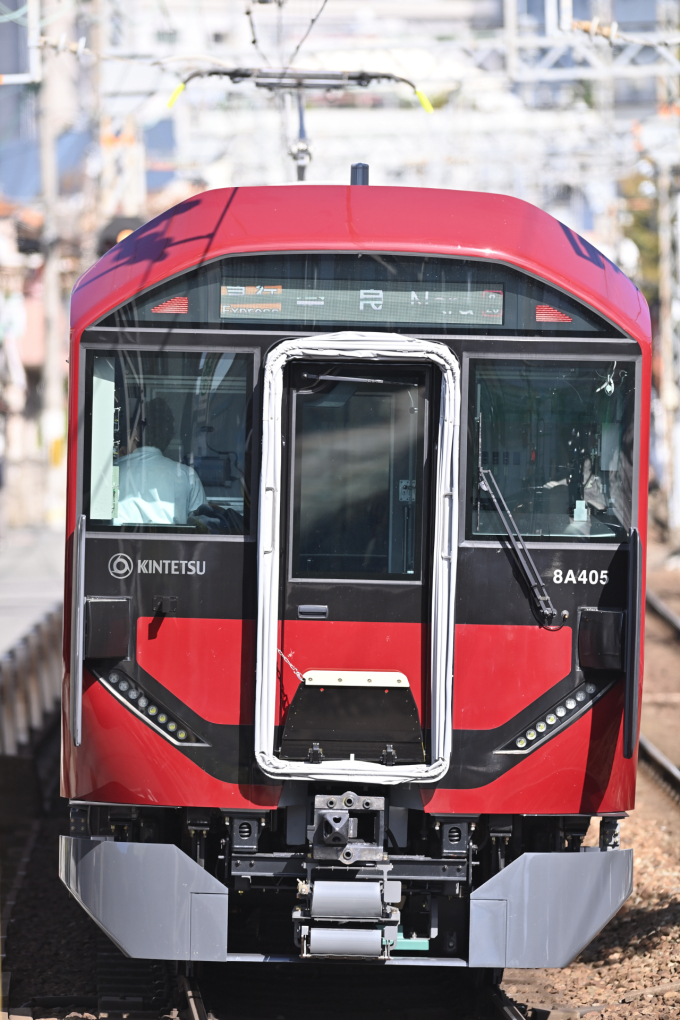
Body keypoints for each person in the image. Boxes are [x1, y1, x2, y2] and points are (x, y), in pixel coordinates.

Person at [117, 397, 205, 524]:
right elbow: (202, 526)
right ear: (168, 436)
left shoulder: (113, 471)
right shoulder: (188, 476)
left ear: (135, 433)